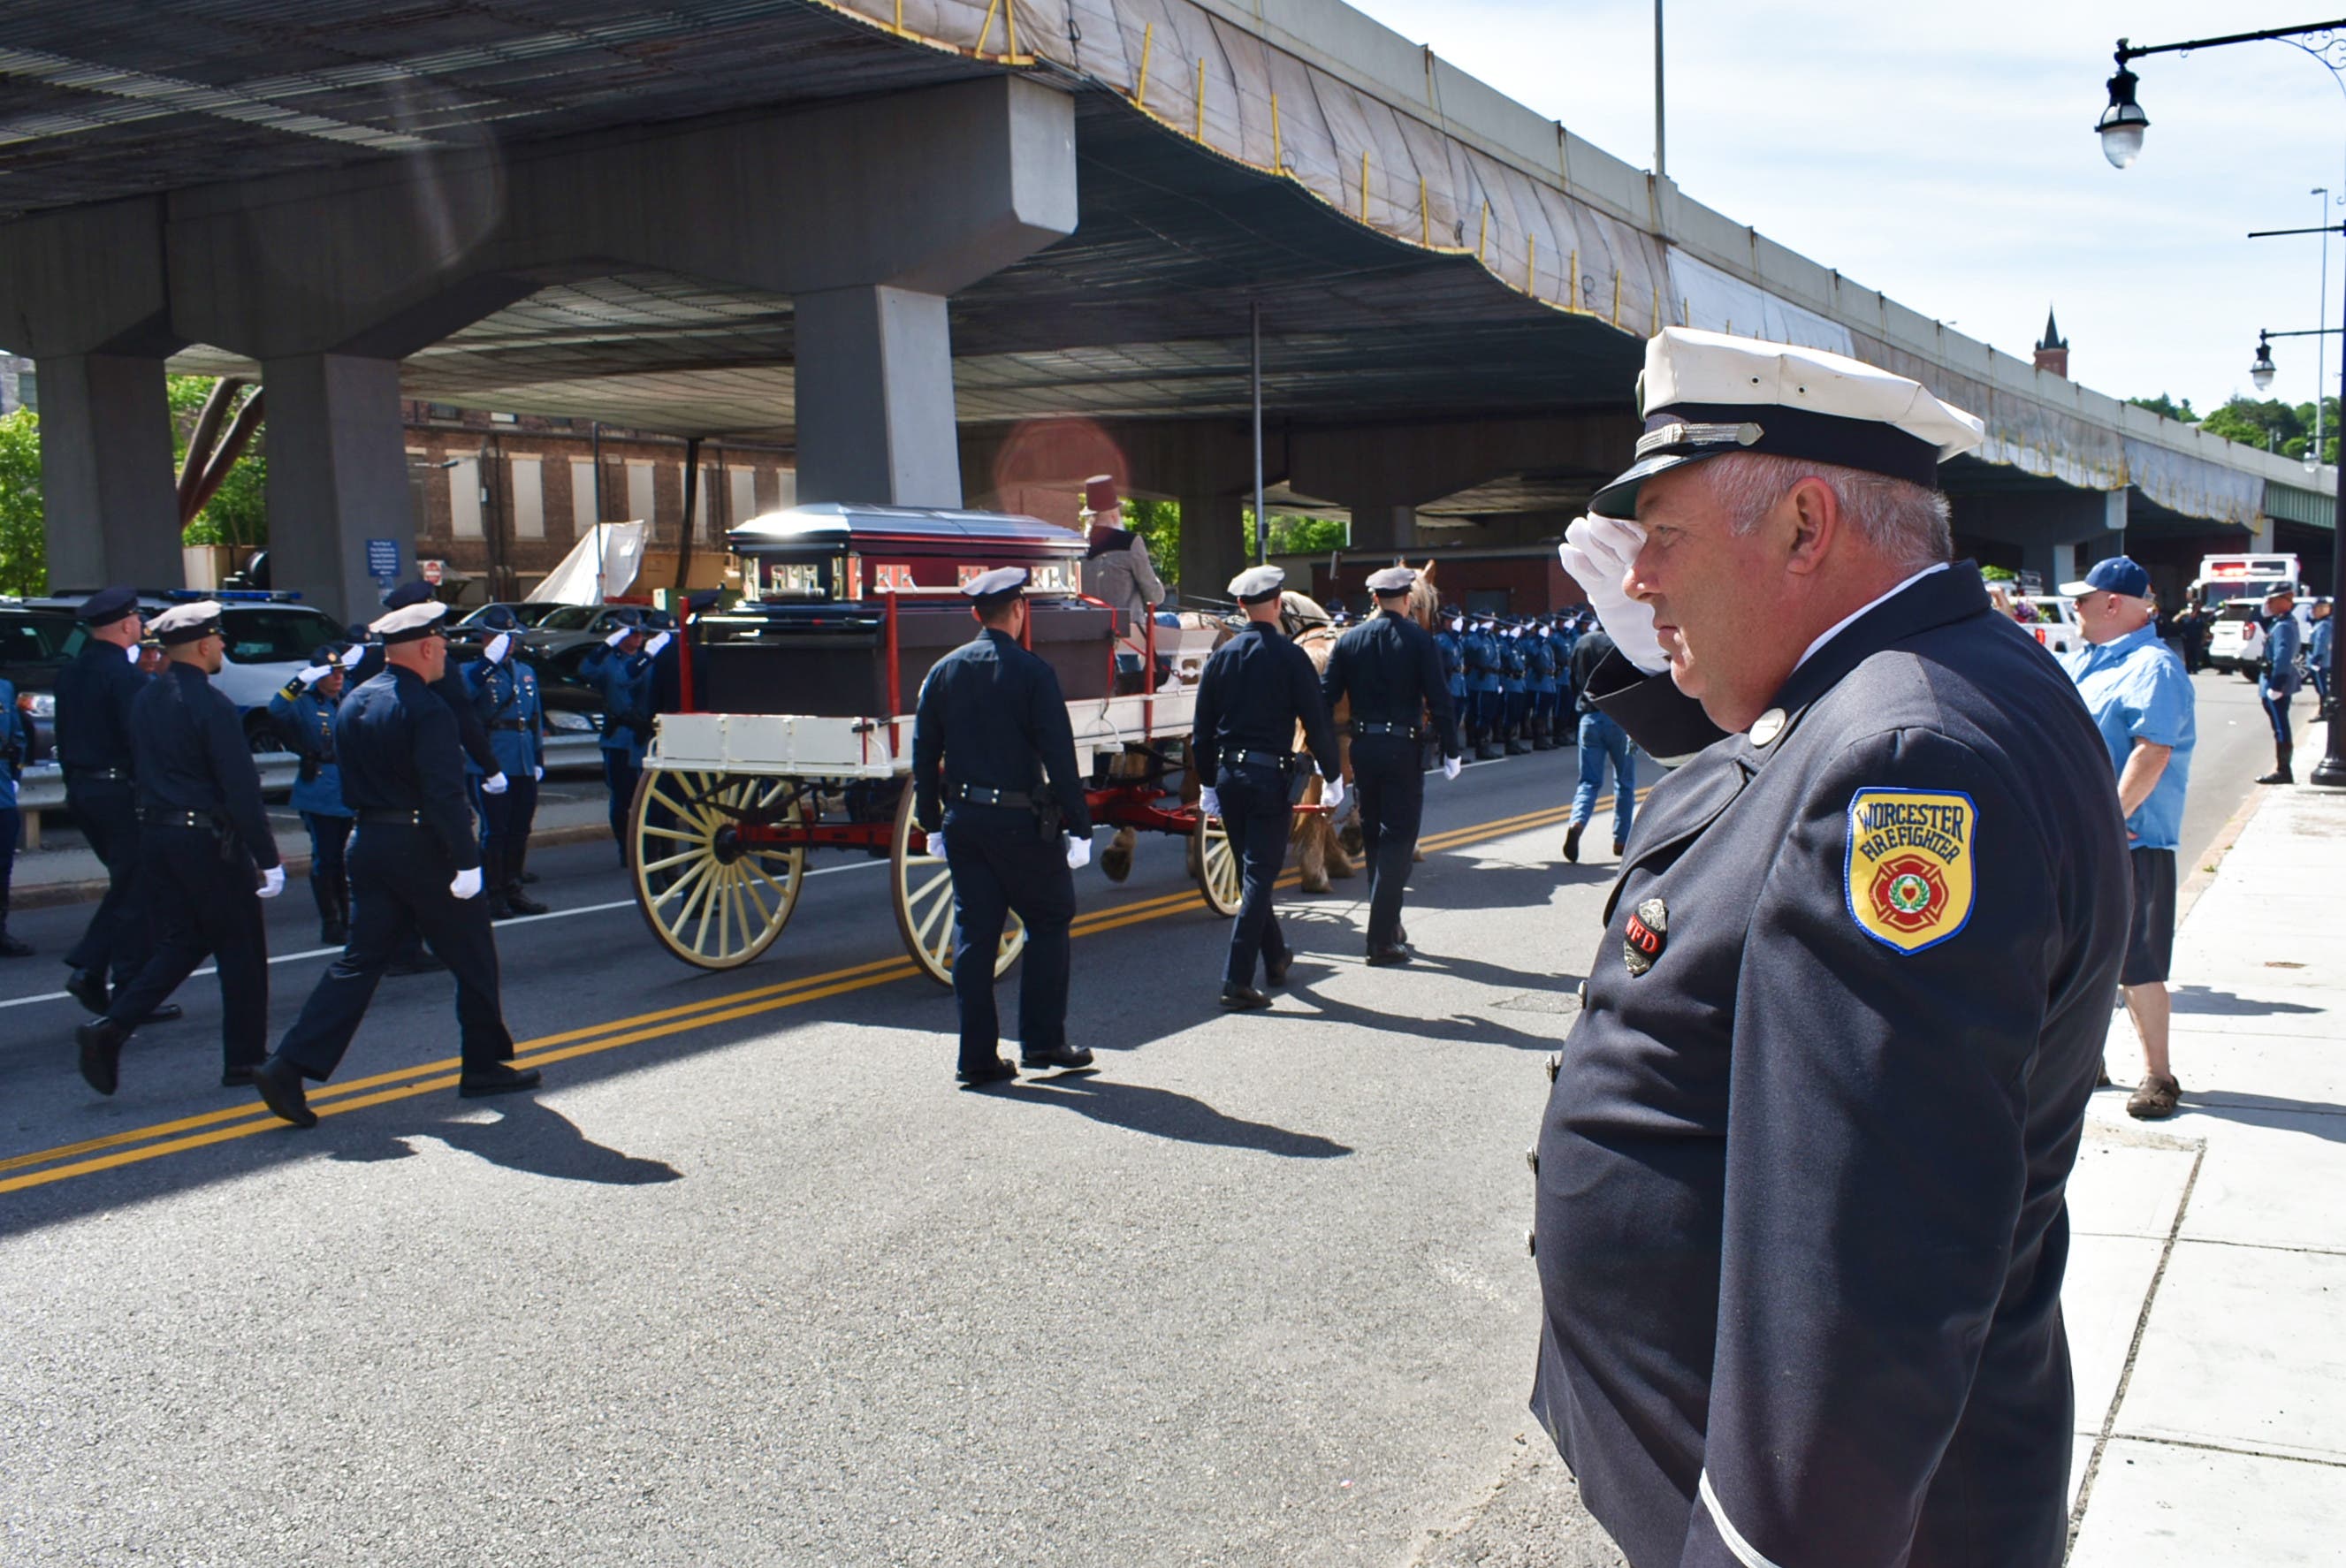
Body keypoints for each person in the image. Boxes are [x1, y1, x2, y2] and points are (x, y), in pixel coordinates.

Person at [1533, 326, 2130, 1568]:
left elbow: (1857, 1292)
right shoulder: (1929, 685)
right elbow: (1762, 782)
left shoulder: (1903, 765)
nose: (1638, 580)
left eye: (1666, 538)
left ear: (1803, 527)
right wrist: (1666, 665)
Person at [250, 599, 539, 1128]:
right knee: (473, 957)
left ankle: (288, 1065)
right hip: (421, 846)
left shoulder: (357, 697)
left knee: (360, 963)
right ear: (428, 647)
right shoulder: (426, 708)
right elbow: (445, 792)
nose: (446, 656)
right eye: (443, 647)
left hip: (369, 841)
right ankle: (482, 1065)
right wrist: (467, 860)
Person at [73, 602, 285, 1096]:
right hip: (207, 840)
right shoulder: (211, 704)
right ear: (205, 645)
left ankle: (110, 1027)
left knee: (185, 941)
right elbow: (239, 787)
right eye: (219, 641)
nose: (223, 648)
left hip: (158, 834)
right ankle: (246, 1059)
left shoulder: (147, 698)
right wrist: (267, 857)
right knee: (243, 951)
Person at [910, 567, 1095, 1085]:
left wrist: (931, 823)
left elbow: (924, 754)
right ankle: (1042, 1041)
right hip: (1019, 822)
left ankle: (977, 1057)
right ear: (1020, 611)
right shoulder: (1033, 673)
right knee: (1051, 917)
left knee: (975, 936)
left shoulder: (942, 672)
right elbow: (1060, 757)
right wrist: (1079, 825)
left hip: (964, 820)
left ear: (975, 615)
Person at [2060, 556, 2196, 1120]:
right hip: (2087, 839)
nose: (2076, 609)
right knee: (2079, 957)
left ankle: (2159, 1077)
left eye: (2083, 599)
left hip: (2131, 842)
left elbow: (2153, 748)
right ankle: (2086, 1061)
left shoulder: (2152, 666)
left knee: (2137, 964)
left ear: (2113, 603)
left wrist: (2111, 820)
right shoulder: (2091, 662)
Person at [1192, 565, 1344, 1009]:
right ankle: (1236, 979)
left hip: (1228, 777)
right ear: (1278, 605)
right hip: (1269, 779)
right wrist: (1332, 776)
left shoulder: (1221, 657)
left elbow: (1201, 731)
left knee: (1250, 872)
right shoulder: (1291, 657)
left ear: (1241, 606)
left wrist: (1206, 785)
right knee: (1259, 876)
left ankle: (1276, 957)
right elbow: (1316, 723)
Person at [1317, 566, 1461, 965]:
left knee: (1377, 839)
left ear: (1374, 599)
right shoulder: (1419, 640)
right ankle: (1380, 939)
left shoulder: (1349, 641)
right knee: (1398, 839)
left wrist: (1322, 752)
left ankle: (1391, 925)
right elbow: (1440, 698)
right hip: (1402, 747)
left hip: (1363, 747)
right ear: (1409, 600)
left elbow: (1324, 699)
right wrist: (1451, 749)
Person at [55, 586, 175, 1021]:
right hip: (120, 792)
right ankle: (99, 971)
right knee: (137, 886)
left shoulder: (71, 673)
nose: (140, 627)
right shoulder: (125, 678)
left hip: (84, 790)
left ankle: (122, 982)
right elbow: (140, 740)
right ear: (127, 625)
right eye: (138, 621)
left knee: (133, 886)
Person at [461, 608, 550, 919]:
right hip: (492, 758)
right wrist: (488, 664)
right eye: (501, 637)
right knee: (495, 831)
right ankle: (493, 894)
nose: (509, 643)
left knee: (520, 829)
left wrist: (538, 756)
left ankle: (513, 887)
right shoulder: (472, 671)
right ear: (485, 638)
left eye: (511, 638)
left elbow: (535, 716)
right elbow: (463, 697)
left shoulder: (525, 671)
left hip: (523, 758)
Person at [269, 647, 356, 946]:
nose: (337, 677)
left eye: (341, 672)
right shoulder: (305, 704)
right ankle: (331, 921)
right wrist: (299, 682)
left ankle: (348, 918)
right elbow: (275, 709)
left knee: (345, 860)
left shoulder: (348, 697)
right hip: (320, 788)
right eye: (331, 673)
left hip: (347, 787)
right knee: (326, 858)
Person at [582, 610, 659, 856]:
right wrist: (606, 646)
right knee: (622, 797)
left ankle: (646, 848)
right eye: (631, 633)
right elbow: (585, 671)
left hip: (645, 736)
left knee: (649, 799)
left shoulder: (649, 658)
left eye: (640, 633)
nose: (637, 637)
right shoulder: (609, 661)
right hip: (620, 737)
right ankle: (625, 848)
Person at [1077, 476, 1167, 687]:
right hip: (1125, 632)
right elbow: (1156, 596)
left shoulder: (1079, 546)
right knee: (1171, 622)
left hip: (1090, 628)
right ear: (1114, 513)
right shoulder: (1130, 542)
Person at [1561, 624, 1634, 862]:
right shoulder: (1618, 644)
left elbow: (1572, 681)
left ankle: (1577, 821)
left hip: (1589, 718)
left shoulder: (1581, 643)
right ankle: (1621, 839)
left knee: (1589, 782)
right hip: (1618, 717)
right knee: (1624, 782)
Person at [0, 667, 35, 957]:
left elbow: (17, 739)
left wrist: (14, 778)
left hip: (1, 794)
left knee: (2, 867)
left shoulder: (4, 688)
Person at [2257, 585, 2304, 784]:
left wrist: (2277, 684)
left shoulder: (2284, 625)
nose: (2268, 603)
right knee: (2279, 726)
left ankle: (2284, 770)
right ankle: (2283, 769)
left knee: (2281, 727)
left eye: (2273, 599)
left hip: (2277, 683)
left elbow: (2283, 656)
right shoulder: (2279, 622)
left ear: (2286, 600)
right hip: (2271, 680)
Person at [1463, 613, 1504, 760]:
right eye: (1489, 621)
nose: (1492, 624)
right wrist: (1480, 631)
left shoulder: (1490, 637)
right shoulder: (1475, 636)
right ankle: (1481, 746)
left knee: (1489, 714)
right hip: (1481, 682)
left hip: (1492, 681)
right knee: (1481, 715)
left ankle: (1486, 745)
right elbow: (1470, 648)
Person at [2309, 597, 2335, 718]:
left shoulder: (2324, 624)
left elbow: (2321, 643)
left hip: (2321, 663)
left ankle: (2324, 712)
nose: (2313, 611)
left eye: (2315, 609)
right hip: (2322, 661)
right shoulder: (2322, 623)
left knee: (2322, 689)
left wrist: (2316, 659)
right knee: (2322, 688)